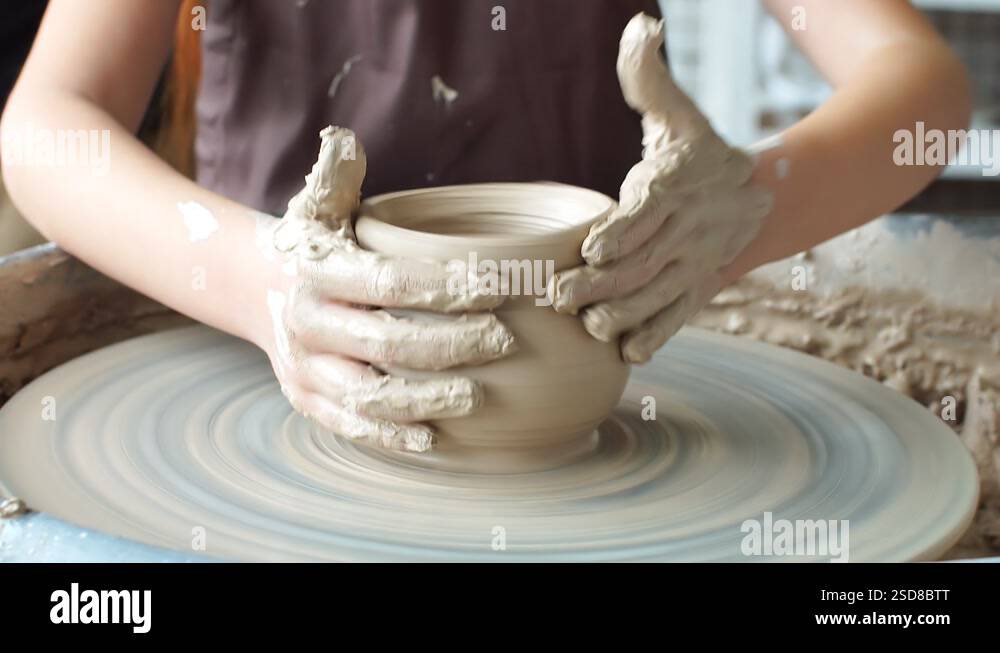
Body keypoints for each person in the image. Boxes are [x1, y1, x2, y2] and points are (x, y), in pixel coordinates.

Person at [0, 0, 970, 452]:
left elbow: (920, 84)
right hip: (280, 356)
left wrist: (752, 202)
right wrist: (260, 282)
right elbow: (45, 124)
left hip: (603, 372)